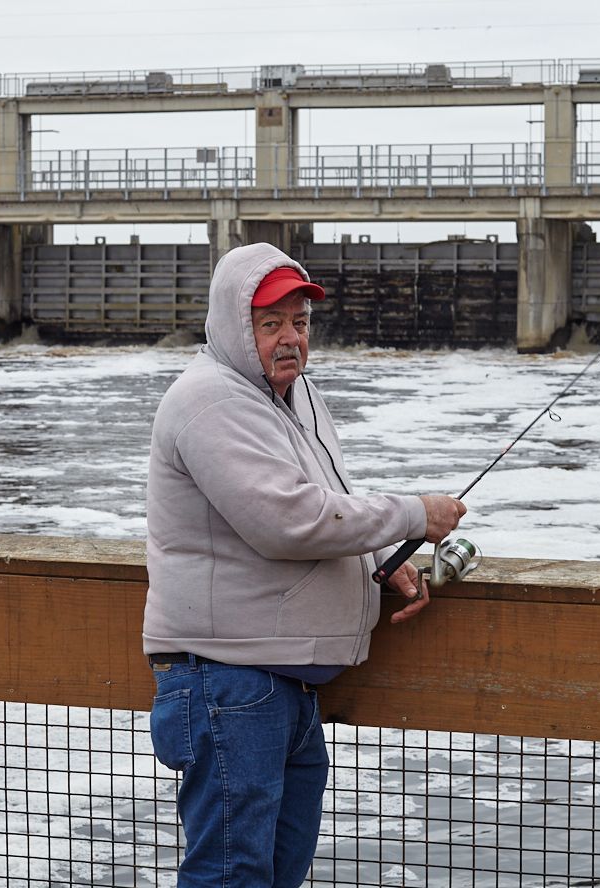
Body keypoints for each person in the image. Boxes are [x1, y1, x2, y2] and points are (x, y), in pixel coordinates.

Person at [143, 242, 467, 888]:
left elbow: (328, 496)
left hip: (282, 686)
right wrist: (414, 515)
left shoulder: (294, 393)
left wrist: (384, 559)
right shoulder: (210, 402)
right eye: (271, 324)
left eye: (300, 322)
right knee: (231, 877)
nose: (291, 338)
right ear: (236, 327)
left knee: (277, 873)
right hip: (230, 683)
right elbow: (287, 522)